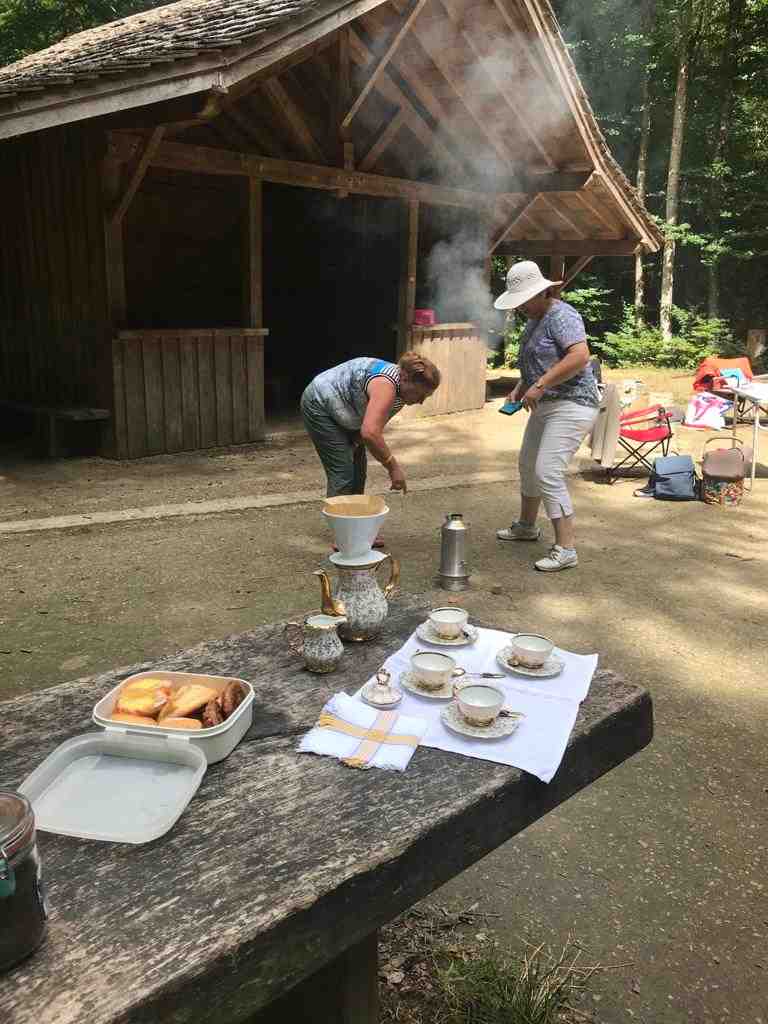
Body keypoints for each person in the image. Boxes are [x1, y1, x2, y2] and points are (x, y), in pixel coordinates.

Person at [493, 260, 599, 572]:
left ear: (543, 291)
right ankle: (527, 526)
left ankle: (566, 548)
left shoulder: (561, 315)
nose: (522, 306)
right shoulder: (534, 320)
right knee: (528, 464)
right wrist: (520, 386)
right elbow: (537, 363)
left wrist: (539, 385)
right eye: (519, 301)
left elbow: (580, 356)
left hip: (573, 402)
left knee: (548, 471)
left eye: (526, 299)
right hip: (546, 403)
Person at [300, 352, 441, 499]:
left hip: (347, 410)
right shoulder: (386, 385)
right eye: (419, 394)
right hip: (320, 403)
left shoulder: (401, 394)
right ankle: (339, 519)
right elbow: (370, 433)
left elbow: (366, 433)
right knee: (343, 474)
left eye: (426, 397)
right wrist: (393, 468)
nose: (421, 401)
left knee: (358, 473)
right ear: (405, 378)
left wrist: (354, 443)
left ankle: (355, 519)